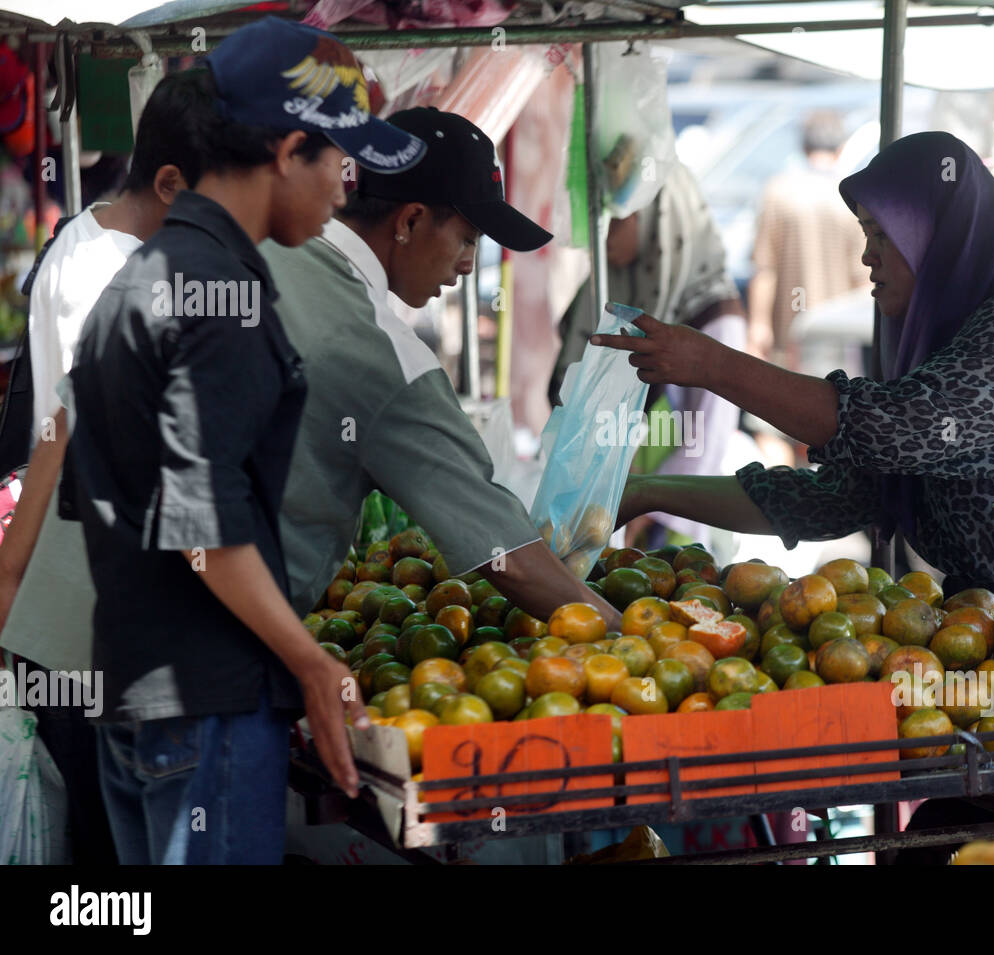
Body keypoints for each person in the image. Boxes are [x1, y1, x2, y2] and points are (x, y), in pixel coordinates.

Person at [59, 17, 426, 865]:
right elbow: (201, 523)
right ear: (290, 148)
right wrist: (311, 663)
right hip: (207, 704)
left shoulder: (145, 273)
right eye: (340, 160)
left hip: (135, 687)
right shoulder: (216, 291)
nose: (346, 187)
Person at [597, 130, 994, 595]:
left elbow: (892, 431)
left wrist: (713, 365)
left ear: (938, 235)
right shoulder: (939, 337)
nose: (867, 257)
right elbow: (836, 498)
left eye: (882, 235)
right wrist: (647, 492)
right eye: (865, 234)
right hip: (991, 619)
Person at [260, 107, 623, 629]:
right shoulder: (383, 356)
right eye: (469, 238)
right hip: (225, 651)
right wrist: (624, 634)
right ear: (409, 221)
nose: (469, 265)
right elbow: (512, 561)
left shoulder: (263, 251)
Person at [0, 70, 204, 865]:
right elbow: (67, 445)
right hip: (87, 621)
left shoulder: (99, 241)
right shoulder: (105, 279)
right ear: (171, 182)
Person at [551, 163, 747, 554]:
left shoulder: (716, 318)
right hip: (616, 517)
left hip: (672, 533)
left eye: (617, 222)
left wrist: (644, 505)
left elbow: (703, 447)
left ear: (661, 221)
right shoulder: (626, 295)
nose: (601, 237)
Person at [747, 110, 870, 368]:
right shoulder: (852, 197)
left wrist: (758, 327)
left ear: (803, 147)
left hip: (787, 338)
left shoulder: (777, 192)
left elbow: (764, 269)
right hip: (838, 340)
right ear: (842, 147)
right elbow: (863, 281)